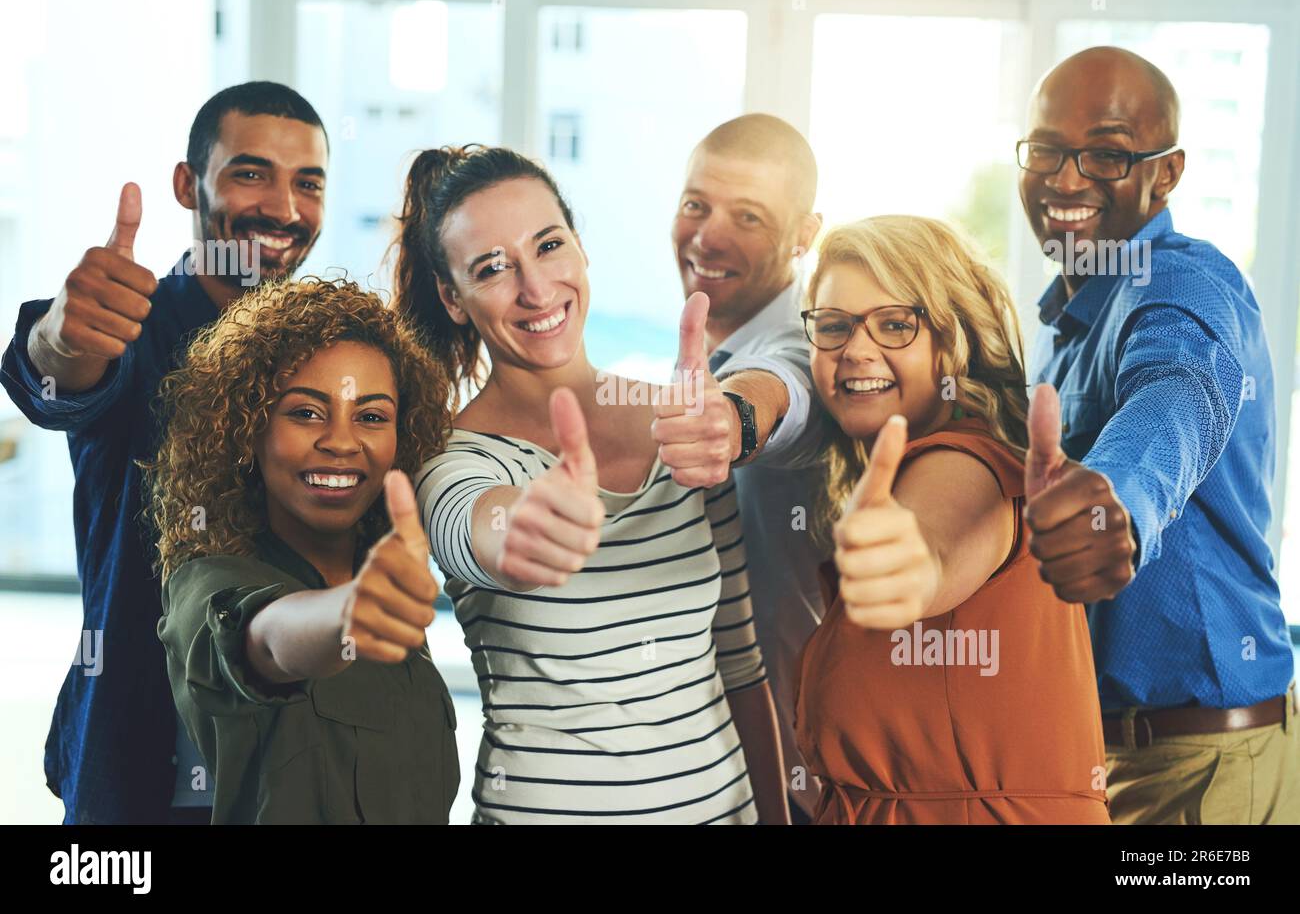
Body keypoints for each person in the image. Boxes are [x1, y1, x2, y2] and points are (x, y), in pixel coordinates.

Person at [395, 145, 787, 824]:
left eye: (548, 246)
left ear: (580, 248)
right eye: (492, 268)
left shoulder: (690, 426)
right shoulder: (450, 458)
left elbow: (738, 661)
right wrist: (527, 526)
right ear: (452, 298)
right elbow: (475, 526)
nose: (536, 289)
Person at [0, 82, 328, 823]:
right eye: (252, 173)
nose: (284, 207)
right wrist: (62, 338)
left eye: (308, 183)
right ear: (188, 184)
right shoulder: (132, 328)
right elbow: (54, 377)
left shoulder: (325, 352)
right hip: (142, 769)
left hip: (288, 768)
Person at [1017, 46, 1298, 824]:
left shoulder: (1181, 282)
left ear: (1165, 173)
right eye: (1046, 150)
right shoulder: (1064, 323)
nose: (1066, 179)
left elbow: (1178, 394)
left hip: (1206, 768)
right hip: (1115, 760)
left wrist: (1114, 502)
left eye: (1106, 155)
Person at [793, 215, 1109, 824]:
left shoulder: (965, 462)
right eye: (833, 326)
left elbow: (934, 544)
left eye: (894, 324)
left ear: (954, 342)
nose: (855, 348)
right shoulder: (920, 461)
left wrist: (911, 565)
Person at [148, 278, 458, 824]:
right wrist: (349, 611)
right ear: (248, 430)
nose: (340, 441)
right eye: (307, 412)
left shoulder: (384, 581)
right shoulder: (207, 585)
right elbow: (268, 640)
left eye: (371, 416)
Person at [658, 114, 830, 821]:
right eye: (696, 204)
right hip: (702, 770)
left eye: (748, 217)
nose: (708, 236)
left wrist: (732, 420)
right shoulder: (700, 349)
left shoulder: (811, 345)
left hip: (791, 776)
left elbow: (785, 392)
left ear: (803, 234)